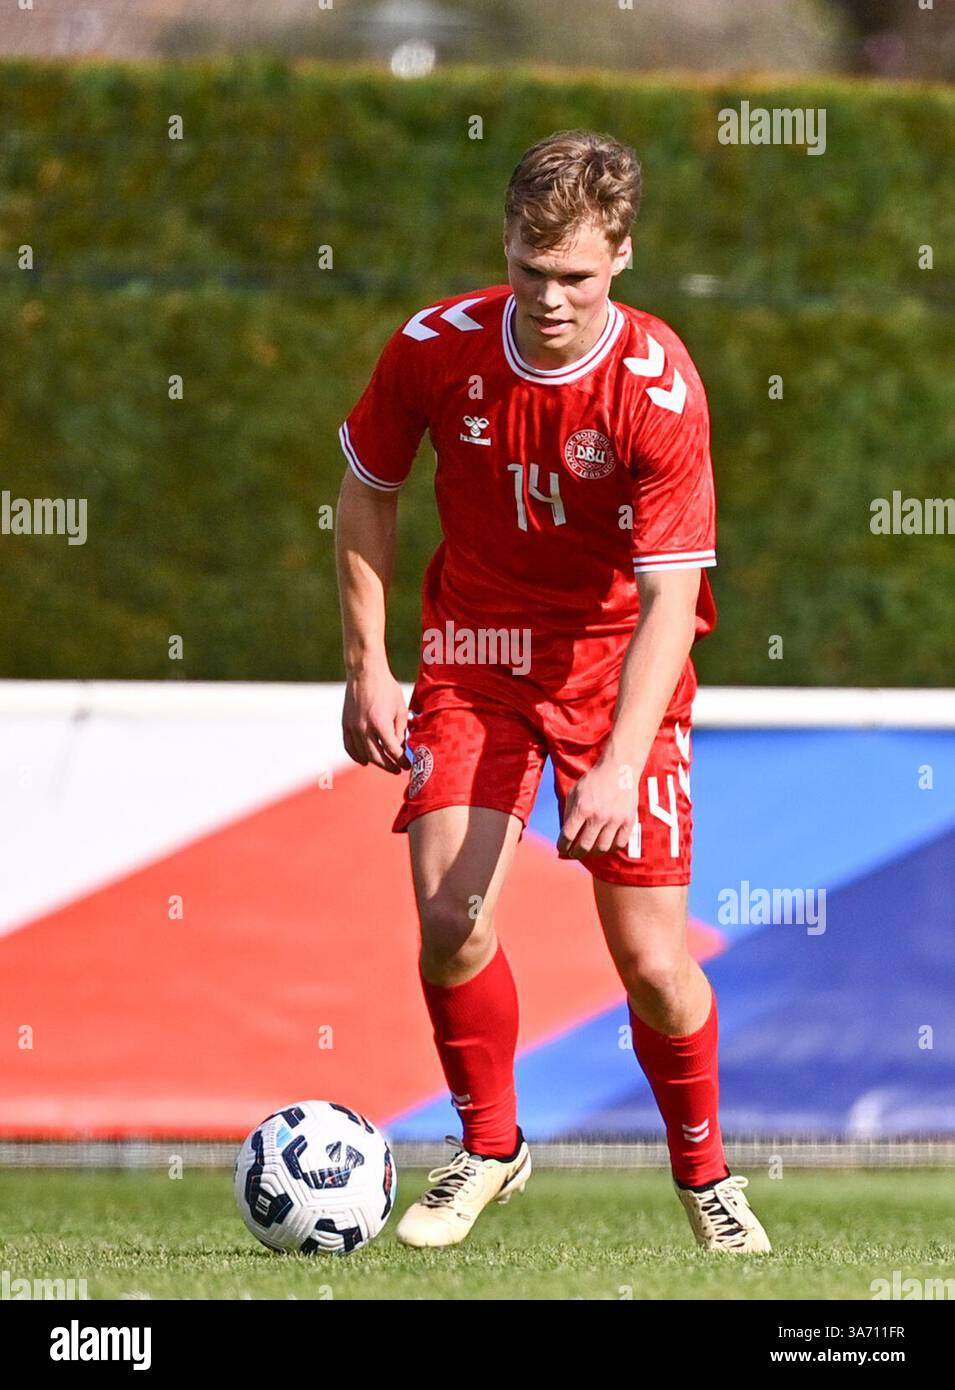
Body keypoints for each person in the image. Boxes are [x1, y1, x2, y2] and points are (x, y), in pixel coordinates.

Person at [335, 130, 770, 1254]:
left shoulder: (658, 390)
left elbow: (671, 600)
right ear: (506, 246)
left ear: (621, 255)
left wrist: (620, 760)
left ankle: (705, 1174)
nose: (549, 298)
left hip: (613, 668)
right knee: (447, 921)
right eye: (529, 271)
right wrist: (368, 665)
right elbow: (366, 488)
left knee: (654, 965)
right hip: (474, 660)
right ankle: (488, 1147)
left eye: (574, 275)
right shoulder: (437, 346)